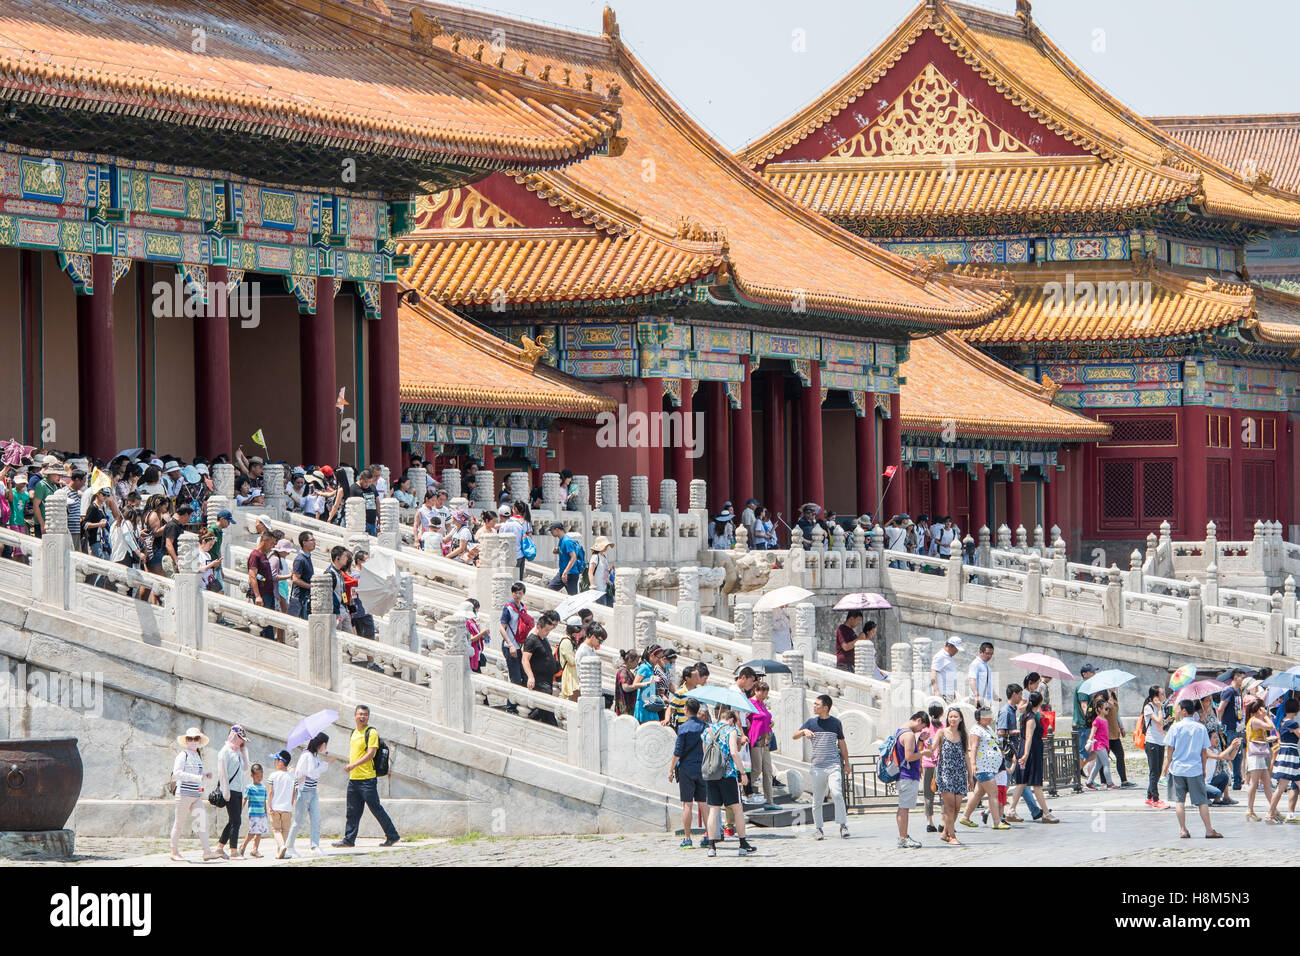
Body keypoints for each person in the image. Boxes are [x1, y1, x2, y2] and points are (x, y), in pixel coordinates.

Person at [1162, 698, 1240, 839]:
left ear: (1184, 711)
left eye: (1178, 708)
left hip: (1178, 769)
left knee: (1180, 801)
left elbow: (1169, 749)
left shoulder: (1175, 727)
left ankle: (1183, 829)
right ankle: (1209, 830)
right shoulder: (1200, 728)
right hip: (1195, 769)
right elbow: (1204, 752)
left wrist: (1169, 765)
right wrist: (1203, 769)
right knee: (1202, 801)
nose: (1176, 711)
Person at [334, 704, 400, 848]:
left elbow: (371, 753)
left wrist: (353, 765)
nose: (362, 717)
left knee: (376, 808)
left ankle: (392, 835)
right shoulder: (353, 733)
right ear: (355, 716)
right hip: (354, 779)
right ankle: (349, 840)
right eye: (360, 714)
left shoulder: (371, 732)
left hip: (367, 779)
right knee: (352, 811)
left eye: (365, 714)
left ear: (368, 717)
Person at [794, 694, 850, 840]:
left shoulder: (836, 723)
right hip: (817, 767)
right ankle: (818, 829)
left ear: (825, 707)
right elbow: (795, 735)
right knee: (817, 800)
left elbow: (842, 744)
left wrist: (847, 764)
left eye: (816, 704)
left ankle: (843, 825)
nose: (814, 706)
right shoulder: (811, 722)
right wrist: (803, 731)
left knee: (837, 793)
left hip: (833, 765)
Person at [703, 707, 756, 858]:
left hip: (711, 774)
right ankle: (743, 843)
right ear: (731, 720)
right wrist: (743, 773)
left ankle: (712, 846)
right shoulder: (731, 731)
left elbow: (705, 753)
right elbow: (734, 752)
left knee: (714, 809)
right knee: (737, 808)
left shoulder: (708, 731)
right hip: (728, 775)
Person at [170, 726, 219, 862]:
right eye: (190, 738)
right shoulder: (182, 755)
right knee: (179, 823)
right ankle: (174, 852)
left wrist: (204, 774)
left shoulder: (198, 755)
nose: (193, 741)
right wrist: (197, 778)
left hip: (195, 794)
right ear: (186, 740)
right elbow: (176, 774)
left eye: (196, 738)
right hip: (184, 793)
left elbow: (196, 773)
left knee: (202, 822)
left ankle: (207, 852)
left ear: (199, 740)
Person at [286, 735, 338, 857]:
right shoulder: (307, 755)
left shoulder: (313, 755)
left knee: (316, 818)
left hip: (312, 791)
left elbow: (316, 771)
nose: (326, 747)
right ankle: (289, 846)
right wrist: (325, 762)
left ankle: (314, 846)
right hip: (304, 792)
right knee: (298, 820)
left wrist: (324, 762)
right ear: (322, 743)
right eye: (326, 744)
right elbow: (312, 773)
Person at [960, 706, 1010, 830]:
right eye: (986, 715)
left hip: (991, 767)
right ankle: (997, 821)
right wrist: (973, 765)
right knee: (993, 794)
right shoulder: (976, 730)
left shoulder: (988, 728)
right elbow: (974, 747)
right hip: (984, 767)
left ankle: (965, 817)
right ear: (980, 717)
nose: (989, 717)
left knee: (978, 793)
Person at [1000, 684, 1042, 822]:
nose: (1021, 697)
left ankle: (1034, 810)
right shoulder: (1006, 711)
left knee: (1021, 782)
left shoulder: (1014, 710)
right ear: (1014, 694)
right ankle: (994, 812)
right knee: (1006, 783)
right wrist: (1018, 732)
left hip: (1015, 749)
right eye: (1019, 695)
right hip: (1008, 751)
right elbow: (1000, 732)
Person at [894, 711, 936, 848]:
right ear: (918, 720)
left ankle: (903, 836)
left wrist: (920, 741)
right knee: (904, 807)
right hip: (907, 776)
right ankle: (903, 838)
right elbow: (909, 757)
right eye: (922, 727)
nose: (921, 730)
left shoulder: (901, 731)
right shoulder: (909, 734)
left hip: (905, 775)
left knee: (903, 807)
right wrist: (924, 752)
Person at [1015, 692, 1059, 823]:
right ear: (1040, 702)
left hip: (1028, 750)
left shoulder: (1026, 715)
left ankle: (1011, 810)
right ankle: (1046, 813)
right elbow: (1029, 737)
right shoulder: (1032, 718)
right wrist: (1026, 755)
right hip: (1031, 752)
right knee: (1036, 783)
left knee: (1022, 782)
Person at [670, 698, 707, 848]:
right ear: (698, 710)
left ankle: (687, 838)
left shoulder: (683, 728)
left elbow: (677, 752)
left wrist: (671, 769)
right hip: (702, 768)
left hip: (686, 769)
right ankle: (709, 837)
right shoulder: (705, 726)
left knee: (687, 804)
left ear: (686, 710)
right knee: (704, 804)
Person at [934, 705, 972, 845]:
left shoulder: (963, 735)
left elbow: (966, 755)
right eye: (951, 716)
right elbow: (932, 748)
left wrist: (970, 775)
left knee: (957, 807)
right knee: (949, 806)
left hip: (960, 773)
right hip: (945, 773)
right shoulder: (941, 733)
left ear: (961, 719)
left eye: (956, 716)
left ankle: (944, 832)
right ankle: (952, 836)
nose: (953, 719)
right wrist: (925, 743)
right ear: (947, 718)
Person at [215, 724, 250, 859]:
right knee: (237, 821)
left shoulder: (237, 751)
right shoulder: (225, 751)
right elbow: (222, 773)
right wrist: (226, 792)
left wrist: (243, 750)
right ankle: (234, 851)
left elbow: (246, 767)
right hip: (229, 790)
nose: (242, 741)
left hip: (238, 790)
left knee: (233, 821)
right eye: (240, 738)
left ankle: (219, 847)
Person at [521, 609, 561, 725]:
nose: (548, 633)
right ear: (538, 627)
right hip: (539, 682)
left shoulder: (543, 639)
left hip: (547, 681)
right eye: (546, 630)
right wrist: (530, 677)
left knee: (542, 711)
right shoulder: (532, 640)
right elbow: (525, 659)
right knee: (545, 710)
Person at [1265, 697, 1300, 824]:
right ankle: (1269, 814)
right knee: (1280, 788)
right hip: (1290, 756)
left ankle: (1270, 814)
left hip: (1287, 755)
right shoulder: (1291, 723)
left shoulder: (1284, 722)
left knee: (1280, 788)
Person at [498, 582, 531, 710]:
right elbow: (502, 628)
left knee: (525, 677)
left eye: (520, 593)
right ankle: (510, 707)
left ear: (523, 594)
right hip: (510, 646)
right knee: (515, 678)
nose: (517, 595)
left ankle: (519, 704)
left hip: (520, 646)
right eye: (515, 593)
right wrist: (510, 645)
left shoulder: (523, 607)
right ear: (512, 593)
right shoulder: (508, 608)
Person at [1243, 698, 1276, 821]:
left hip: (1259, 755)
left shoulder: (1254, 721)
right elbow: (1271, 726)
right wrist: (1266, 716)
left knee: (1267, 784)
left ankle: (1274, 810)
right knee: (1254, 783)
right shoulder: (1255, 720)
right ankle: (1249, 809)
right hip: (1255, 756)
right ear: (1258, 710)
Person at [1140, 685, 1171, 809]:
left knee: (1158, 771)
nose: (1163, 696)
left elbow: (1161, 723)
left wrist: (1167, 720)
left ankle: (1149, 796)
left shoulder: (1159, 707)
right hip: (1151, 742)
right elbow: (1158, 720)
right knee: (1154, 772)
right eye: (1161, 694)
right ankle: (1155, 799)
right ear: (1155, 696)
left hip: (1160, 741)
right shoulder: (1149, 707)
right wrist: (1158, 708)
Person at [748, 681, 776, 809]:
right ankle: (744, 788)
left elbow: (766, 718)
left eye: (765, 692)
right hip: (756, 739)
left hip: (766, 740)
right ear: (755, 690)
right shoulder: (750, 703)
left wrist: (771, 722)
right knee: (757, 769)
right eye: (761, 691)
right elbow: (746, 719)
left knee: (768, 770)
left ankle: (769, 800)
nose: (763, 694)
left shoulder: (762, 704)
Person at [1217, 669, 1247, 790]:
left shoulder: (1237, 692)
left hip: (1237, 726)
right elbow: (1220, 708)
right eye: (1242, 678)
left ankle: (1237, 780)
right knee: (1232, 752)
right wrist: (1219, 723)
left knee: (1238, 753)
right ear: (1235, 677)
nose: (1243, 680)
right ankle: (1234, 779)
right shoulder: (1229, 691)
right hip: (1229, 727)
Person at [267, 749, 296, 859]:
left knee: (276, 830)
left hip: (275, 807)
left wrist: (269, 806)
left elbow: (270, 792)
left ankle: (282, 846)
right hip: (287, 808)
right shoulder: (293, 777)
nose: (275, 763)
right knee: (285, 830)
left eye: (276, 760)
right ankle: (280, 852)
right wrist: (290, 806)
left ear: (281, 762)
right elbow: (294, 794)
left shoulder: (273, 775)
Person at [1085, 696, 1118, 789]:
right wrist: (1089, 741)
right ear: (1099, 709)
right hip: (1099, 745)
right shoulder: (1097, 720)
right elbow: (1093, 732)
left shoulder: (1105, 720)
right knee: (1106, 764)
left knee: (1098, 765)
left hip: (1104, 745)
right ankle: (1109, 783)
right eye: (1106, 708)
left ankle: (1089, 782)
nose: (1108, 710)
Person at [920, 703, 943, 833]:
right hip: (942, 763)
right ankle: (944, 821)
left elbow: (919, 747)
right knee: (944, 793)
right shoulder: (945, 727)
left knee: (928, 794)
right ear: (941, 713)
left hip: (927, 763)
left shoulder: (925, 729)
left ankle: (929, 822)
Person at [239, 763, 268, 858]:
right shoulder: (249, 787)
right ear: (252, 775)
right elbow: (245, 799)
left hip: (262, 814)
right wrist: (240, 810)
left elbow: (264, 801)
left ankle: (255, 850)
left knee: (259, 832)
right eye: (257, 776)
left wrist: (266, 812)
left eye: (261, 776)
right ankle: (243, 846)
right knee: (252, 832)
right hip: (254, 814)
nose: (260, 778)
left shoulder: (263, 788)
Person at [548, 521, 584, 594]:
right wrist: (556, 550)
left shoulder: (567, 541)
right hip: (562, 573)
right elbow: (564, 552)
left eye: (552, 530)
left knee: (573, 598)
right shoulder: (561, 540)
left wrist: (565, 572)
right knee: (549, 590)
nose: (551, 532)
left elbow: (573, 557)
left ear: (557, 529)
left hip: (570, 574)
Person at [288, 531, 315, 618]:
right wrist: (311, 586)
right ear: (304, 542)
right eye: (312, 540)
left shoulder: (307, 557)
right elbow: (295, 579)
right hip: (298, 598)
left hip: (305, 597)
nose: (314, 542)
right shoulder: (300, 559)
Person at [615, 649, 645, 717]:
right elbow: (625, 688)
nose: (637, 664)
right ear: (630, 660)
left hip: (628, 707)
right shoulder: (623, 672)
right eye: (636, 661)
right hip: (625, 708)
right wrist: (638, 685)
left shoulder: (627, 671)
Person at [930, 636, 961, 701]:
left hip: (949, 693)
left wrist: (953, 691)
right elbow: (933, 673)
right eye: (956, 648)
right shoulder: (940, 656)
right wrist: (936, 691)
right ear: (949, 646)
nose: (957, 651)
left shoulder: (948, 657)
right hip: (943, 693)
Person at [557, 620, 581, 702]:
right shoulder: (566, 642)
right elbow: (572, 661)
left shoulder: (571, 641)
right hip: (570, 676)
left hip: (574, 675)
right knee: (573, 701)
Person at [967, 641, 995, 707]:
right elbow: (972, 680)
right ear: (980, 652)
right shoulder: (976, 664)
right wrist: (977, 695)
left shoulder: (986, 665)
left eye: (991, 654)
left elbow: (988, 683)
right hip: (977, 701)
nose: (989, 656)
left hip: (985, 701)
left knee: (986, 717)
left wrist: (994, 695)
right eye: (987, 653)